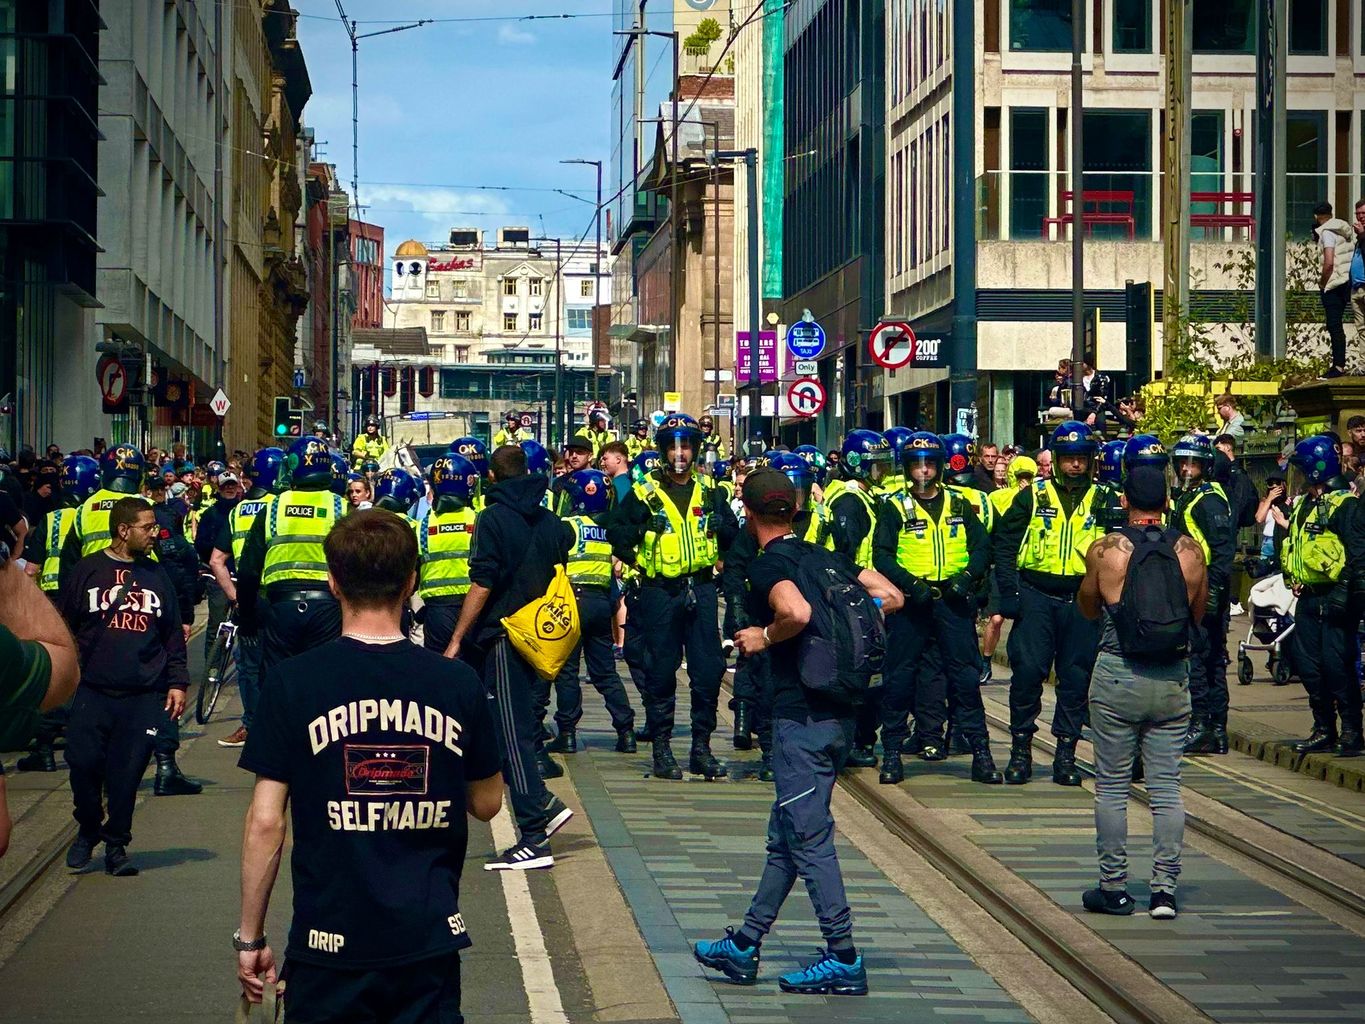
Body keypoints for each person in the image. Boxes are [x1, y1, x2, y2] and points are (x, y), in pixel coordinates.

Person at [235, 509, 504, 1021]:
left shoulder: (293, 682)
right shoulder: (457, 684)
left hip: (326, 942)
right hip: (426, 939)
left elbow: (266, 821)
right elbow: (488, 804)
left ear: (333, 583)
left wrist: (250, 936)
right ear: (412, 582)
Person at [693, 468, 902, 995]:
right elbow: (891, 595)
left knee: (808, 838)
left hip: (800, 717)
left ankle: (843, 956)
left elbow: (796, 611)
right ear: (795, 509)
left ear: (750, 510)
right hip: (841, 714)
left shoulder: (770, 565)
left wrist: (765, 635)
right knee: (785, 836)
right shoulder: (824, 555)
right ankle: (745, 943)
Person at [1077, 463, 1208, 920]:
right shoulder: (1191, 551)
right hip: (1172, 676)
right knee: (1167, 788)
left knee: (1111, 788)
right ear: (1168, 503)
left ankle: (1113, 888)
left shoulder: (1106, 550)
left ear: (1125, 501)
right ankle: (1165, 891)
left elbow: (1088, 608)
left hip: (1118, 673)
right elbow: (1198, 613)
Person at [442, 444, 574, 869]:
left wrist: (458, 636)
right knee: (523, 727)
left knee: (511, 735)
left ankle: (533, 837)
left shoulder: (491, 519)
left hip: (504, 635)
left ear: (492, 478)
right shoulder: (551, 520)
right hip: (545, 636)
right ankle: (545, 805)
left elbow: (483, 582)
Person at [60, 498, 188, 876]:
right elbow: (63, 627)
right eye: (147, 527)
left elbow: (172, 635)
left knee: (126, 773)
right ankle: (88, 824)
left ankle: (117, 845)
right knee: (82, 764)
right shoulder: (88, 570)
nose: (155, 533)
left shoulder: (156, 575)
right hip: (94, 689)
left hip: (143, 692)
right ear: (123, 530)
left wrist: (178, 683)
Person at [607, 414, 739, 780]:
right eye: (672, 446)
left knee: (708, 669)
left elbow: (734, 537)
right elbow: (616, 532)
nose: (679, 453)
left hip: (701, 587)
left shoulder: (711, 491)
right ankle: (662, 749)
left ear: (695, 450)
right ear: (662, 451)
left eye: (685, 446)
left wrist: (722, 528)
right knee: (660, 669)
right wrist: (640, 541)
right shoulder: (643, 492)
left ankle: (702, 747)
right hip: (659, 591)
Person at [873, 433, 1001, 784]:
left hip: (953, 602)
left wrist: (967, 578)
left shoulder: (960, 504)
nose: (924, 471)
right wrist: (911, 585)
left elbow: (982, 548)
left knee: (964, 679)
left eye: (930, 464)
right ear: (907, 468)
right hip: (913, 603)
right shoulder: (894, 505)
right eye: (917, 464)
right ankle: (894, 753)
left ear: (941, 467)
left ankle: (981, 753)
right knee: (899, 677)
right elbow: (881, 555)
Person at [993, 421, 1106, 786]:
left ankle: (1066, 754)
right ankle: (1020, 749)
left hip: (1082, 600)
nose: (1075, 465)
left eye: (1081, 459)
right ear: (1056, 460)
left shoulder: (1104, 498)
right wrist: (1008, 594)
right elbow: (1005, 545)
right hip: (1036, 596)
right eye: (1068, 459)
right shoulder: (1033, 496)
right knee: (1026, 673)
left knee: (1075, 677)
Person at [544, 469, 636, 754]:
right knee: (605, 671)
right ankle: (626, 730)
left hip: (573, 602)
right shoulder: (608, 530)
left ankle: (568, 732)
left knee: (567, 671)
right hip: (600, 603)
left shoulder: (568, 526)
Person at [236, 438, 346, 674]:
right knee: (325, 681)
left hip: (281, 609)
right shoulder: (342, 508)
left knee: (278, 683)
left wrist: (246, 618)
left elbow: (248, 571)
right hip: (327, 609)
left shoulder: (273, 509)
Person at [1283, 436, 1363, 757]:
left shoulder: (1347, 506)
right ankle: (1323, 728)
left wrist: (1345, 598)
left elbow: (1359, 558)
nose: (1299, 477)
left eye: (1302, 471)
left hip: (1336, 600)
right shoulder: (1305, 504)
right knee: (1308, 666)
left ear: (1317, 470)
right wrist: (1294, 576)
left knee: (1337, 667)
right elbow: (1296, 545)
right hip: (1309, 598)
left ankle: (1352, 732)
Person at [1, 500, 82, 803]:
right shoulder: (89, 514)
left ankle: (44, 748)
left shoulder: (52, 519)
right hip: (76, 604)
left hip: (50, 597)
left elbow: (32, 565)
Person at [826, 429, 895, 768]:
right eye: (876, 467)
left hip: (861, 595)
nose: (881, 473)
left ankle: (856, 736)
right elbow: (846, 553)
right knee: (861, 673)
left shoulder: (865, 497)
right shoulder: (850, 501)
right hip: (854, 597)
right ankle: (853, 739)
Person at [1167, 434, 1236, 756]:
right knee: (1207, 660)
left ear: (1205, 466)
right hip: (1191, 589)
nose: (1186, 468)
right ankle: (1215, 730)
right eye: (1182, 462)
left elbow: (1223, 551)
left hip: (1206, 591)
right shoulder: (1187, 496)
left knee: (1201, 660)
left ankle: (1204, 725)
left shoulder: (1209, 500)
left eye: (1193, 463)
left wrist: (1215, 592)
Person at [209, 448, 283, 748]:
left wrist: (235, 596)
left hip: (249, 601)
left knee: (248, 666)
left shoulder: (238, 511)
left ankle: (252, 726)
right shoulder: (280, 506)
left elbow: (216, 560)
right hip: (279, 598)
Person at [414, 454, 478, 656]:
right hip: (475, 609)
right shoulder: (478, 520)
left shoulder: (423, 525)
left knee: (441, 675)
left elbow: (413, 572)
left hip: (437, 613)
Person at [1314, 201, 1357, 377]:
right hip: (1348, 280)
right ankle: (1342, 363)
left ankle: (1338, 366)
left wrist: (1323, 283)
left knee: (1334, 324)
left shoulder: (1327, 232)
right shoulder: (1344, 229)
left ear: (1316, 216)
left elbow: (1329, 261)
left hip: (1334, 283)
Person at [599, 440, 633, 505]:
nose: (602, 463)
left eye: (605, 459)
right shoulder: (631, 480)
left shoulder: (619, 484)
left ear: (618, 459)